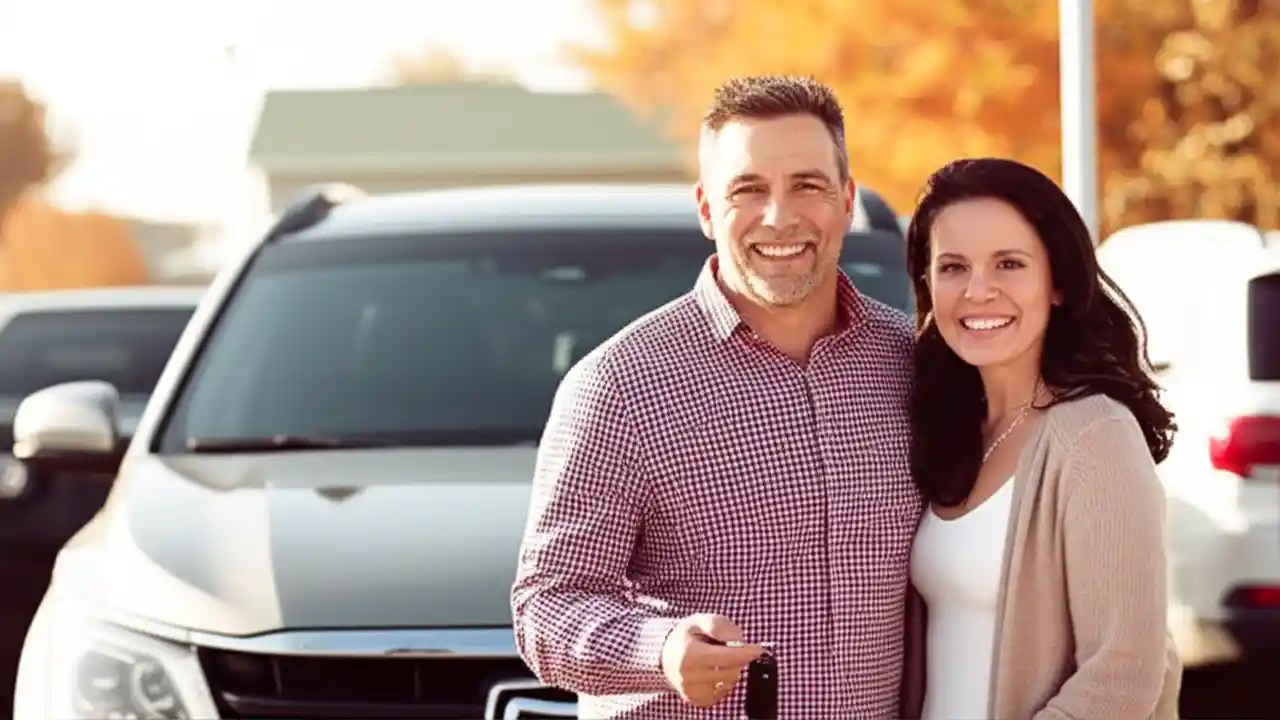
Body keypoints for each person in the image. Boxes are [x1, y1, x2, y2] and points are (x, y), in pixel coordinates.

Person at [510, 75, 920, 718]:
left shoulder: (915, 365)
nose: (779, 217)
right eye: (748, 190)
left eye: (807, 186)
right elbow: (547, 607)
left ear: (845, 202)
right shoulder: (620, 385)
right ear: (706, 208)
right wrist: (661, 649)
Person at [900, 157, 1183, 719]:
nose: (978, 291)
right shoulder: (950, 426)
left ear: (1056, 283)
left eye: (1009, 264)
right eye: (954, 267)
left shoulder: (1095, 436)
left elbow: (1121, 673)